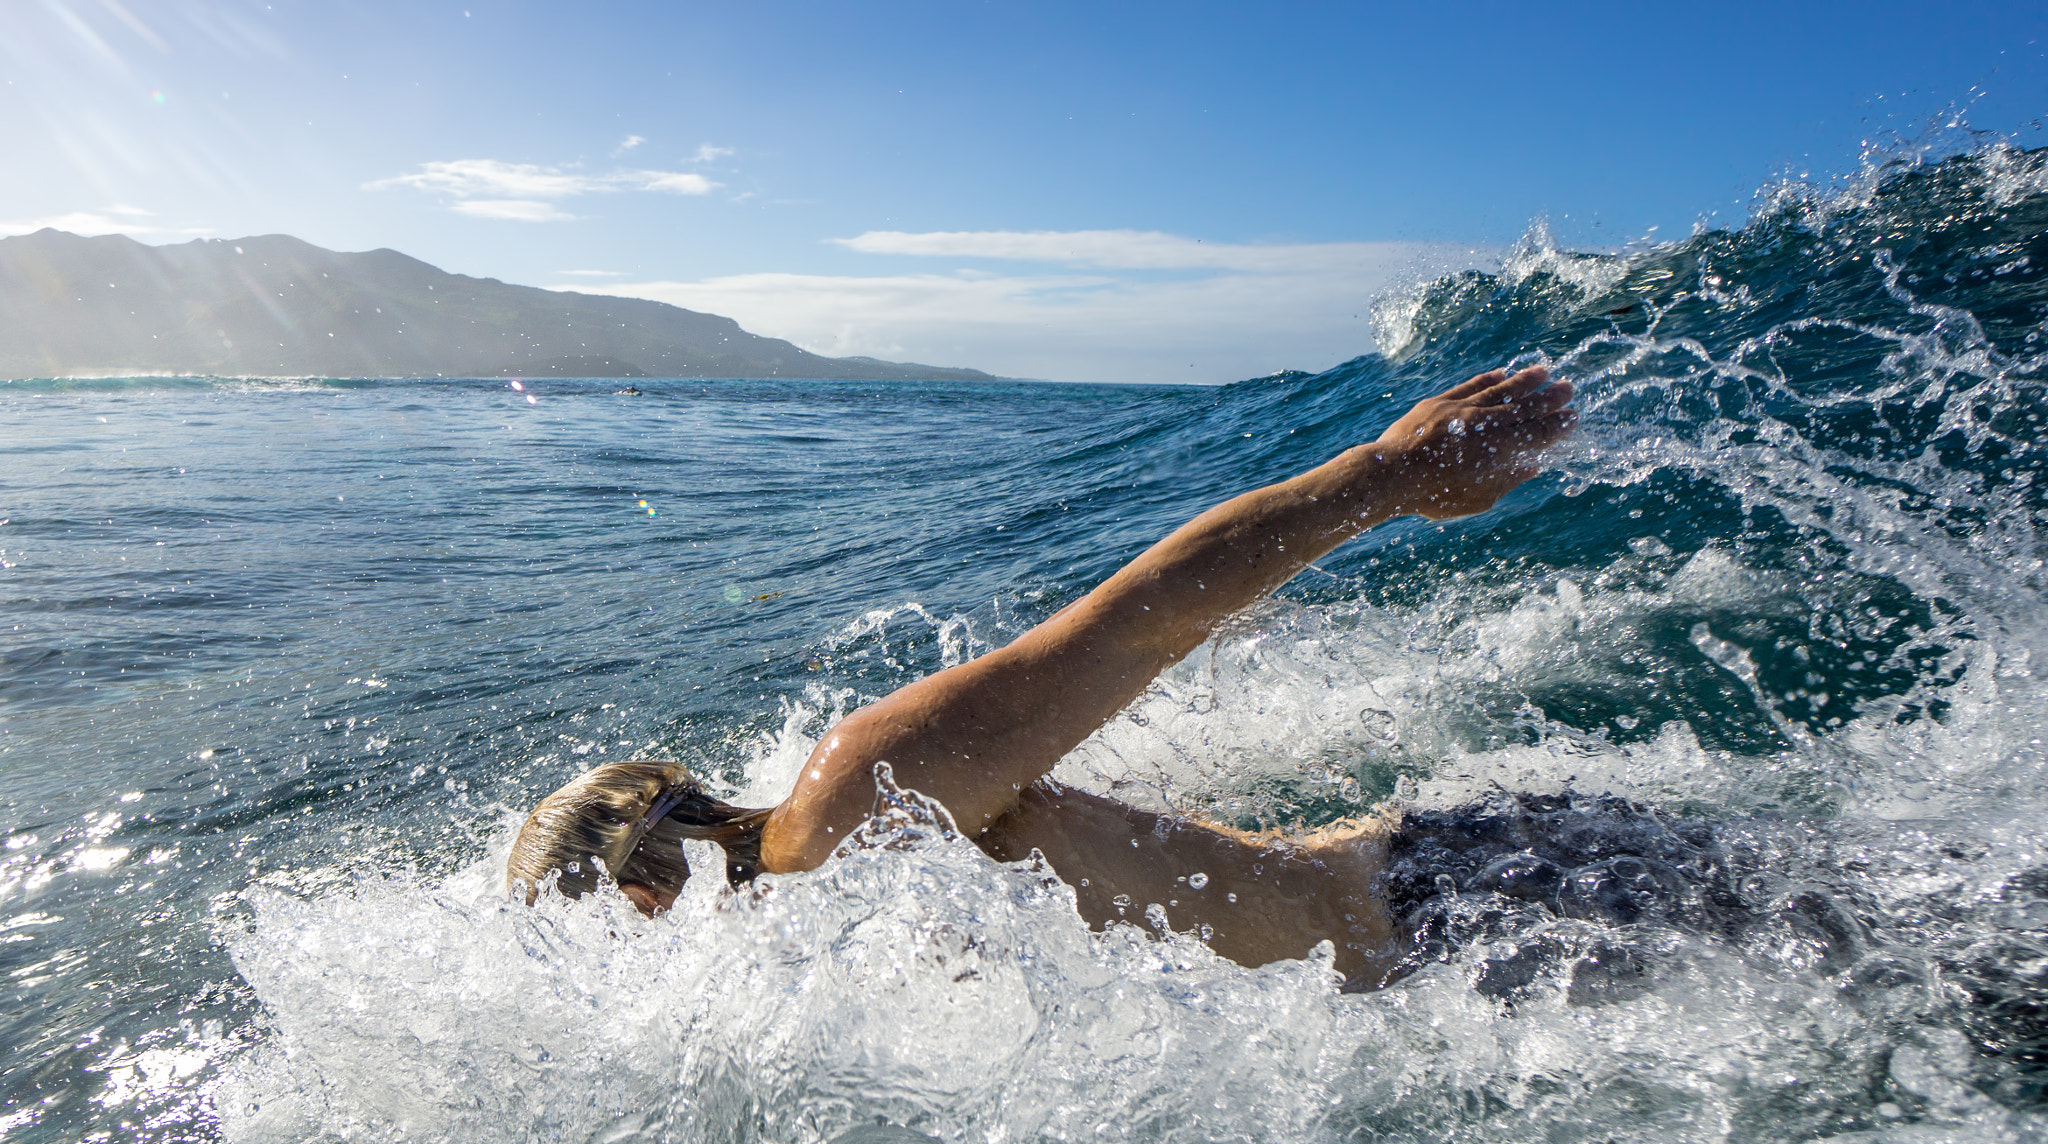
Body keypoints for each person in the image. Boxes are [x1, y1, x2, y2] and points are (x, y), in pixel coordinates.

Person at [507, 365, 1578, 990]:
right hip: (1429, 966)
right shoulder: (805, 948)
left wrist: (1387, 475)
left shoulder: (849, 801)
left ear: (638, 891)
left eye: (603, 935)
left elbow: (1128, 630)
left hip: (1468, 907)